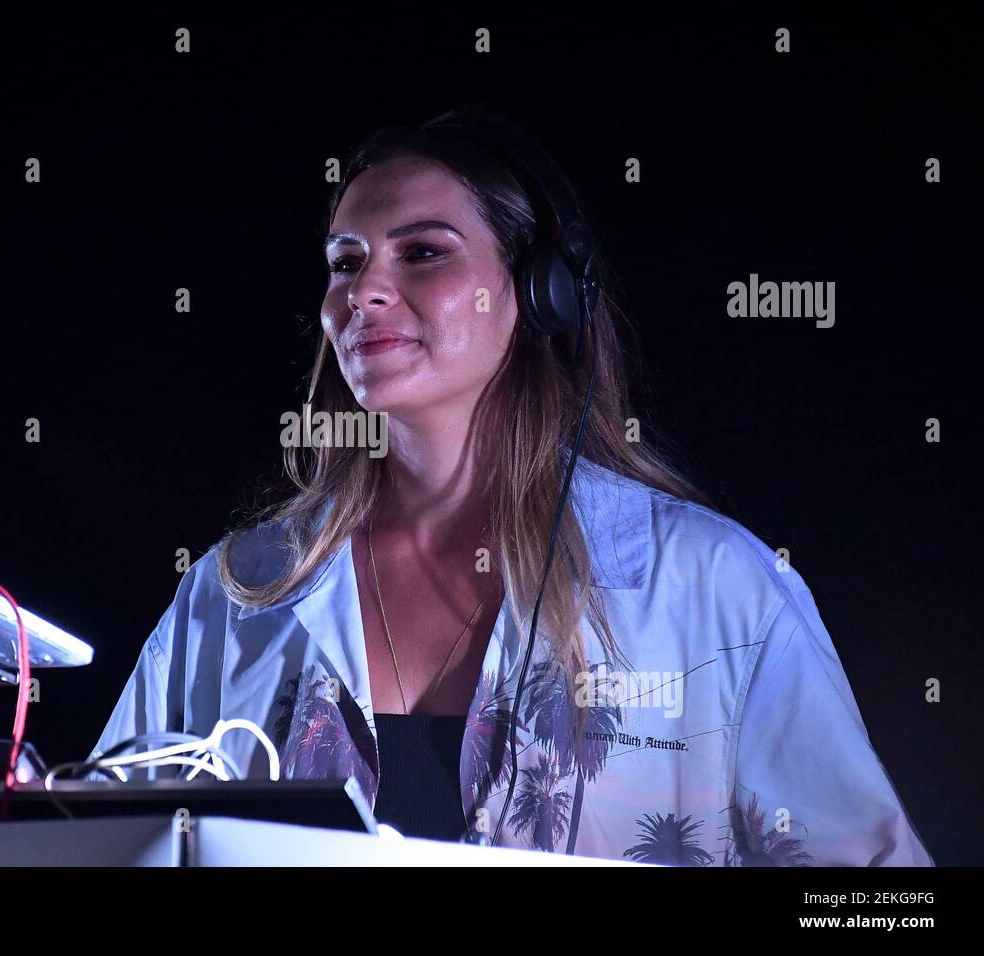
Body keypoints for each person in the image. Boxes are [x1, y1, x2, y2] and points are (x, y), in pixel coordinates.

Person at [89, 106, 933, 865]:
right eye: (345, 263)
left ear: (541, 295)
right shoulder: (235, 596)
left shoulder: (715, 590)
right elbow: (93, 848)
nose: (363, 291)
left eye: (422, 252)